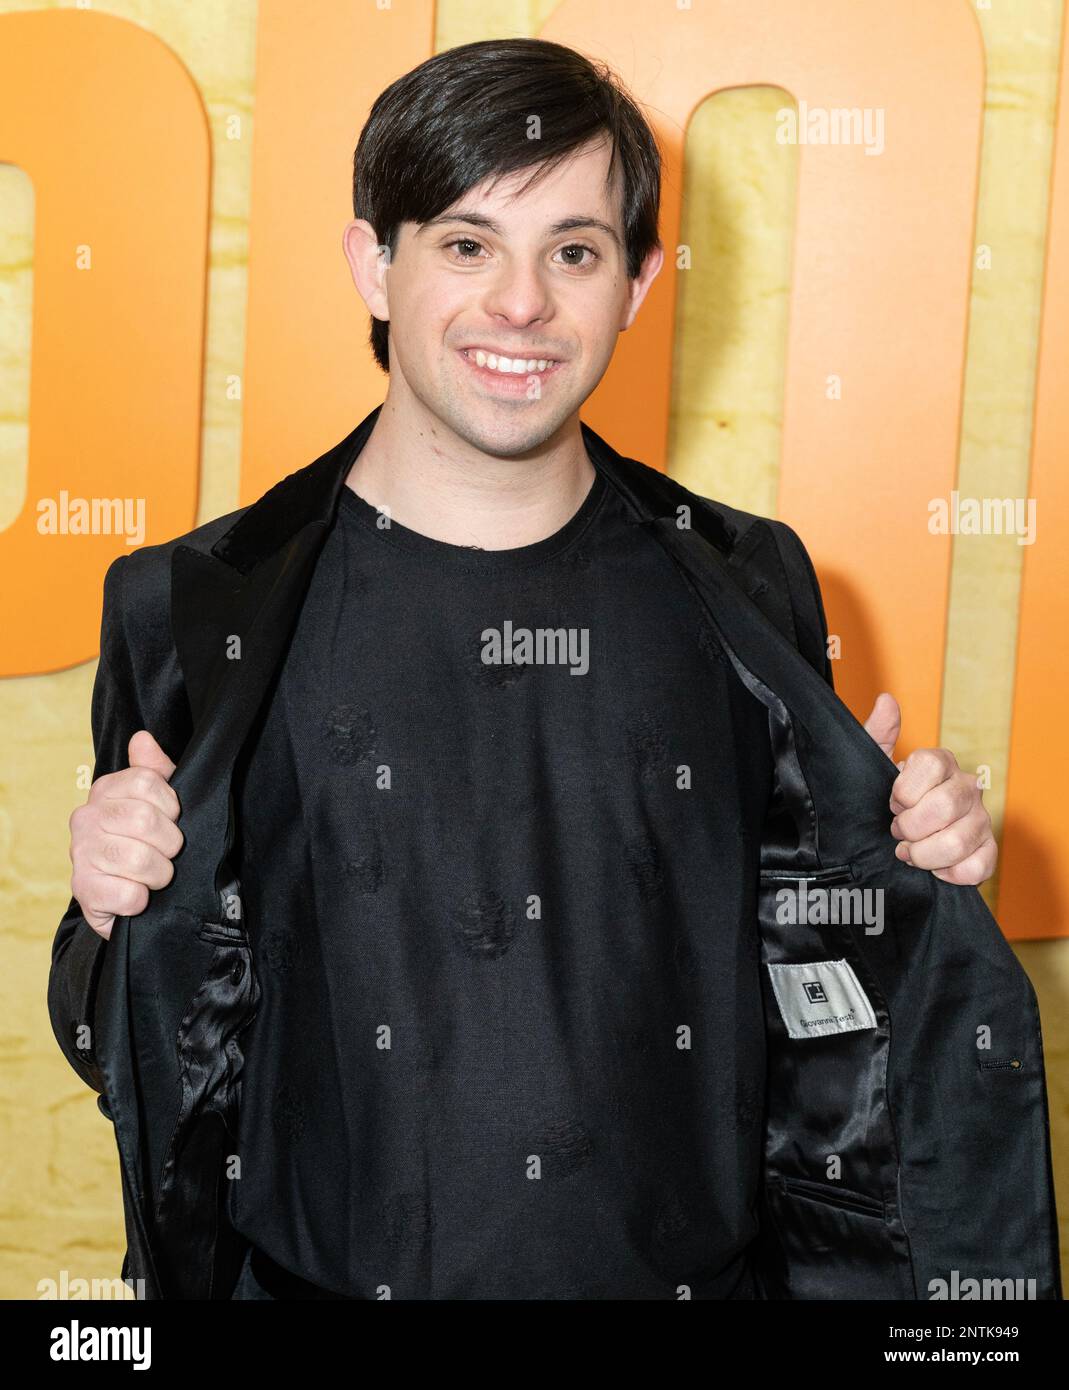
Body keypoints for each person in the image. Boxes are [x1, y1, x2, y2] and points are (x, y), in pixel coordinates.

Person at [58, 38, 1003, 1301]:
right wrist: (113, 910)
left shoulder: (751, 581)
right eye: (464, 243)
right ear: (372, 265)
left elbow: (825, 1009)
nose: (520, 304)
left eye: (573, 250)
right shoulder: (188, 604)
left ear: (638, 283)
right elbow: (125, 1039)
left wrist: (906, 873)